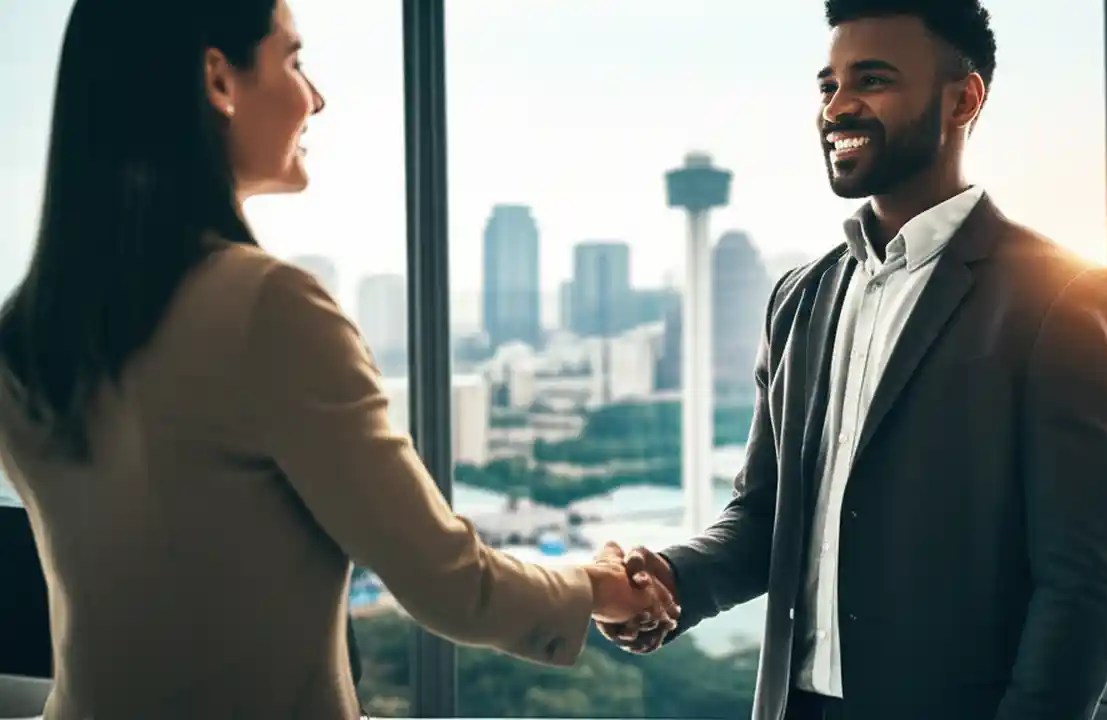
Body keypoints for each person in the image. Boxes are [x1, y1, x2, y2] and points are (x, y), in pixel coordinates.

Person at [0, 1, 675, 718]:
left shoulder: (24, 334)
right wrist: (596, 586)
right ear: (218, 80)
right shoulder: (271, 309)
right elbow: (450, 584)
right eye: (293, 61)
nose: (314, 97)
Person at [598, 1, 1107, 718]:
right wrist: (670, 576)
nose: (838, 106)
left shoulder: (1062, 297)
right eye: (827, 86)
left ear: (963, 99)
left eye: (873, 81)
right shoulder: (801, 296)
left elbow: (1084, 586)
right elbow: (766, 516)